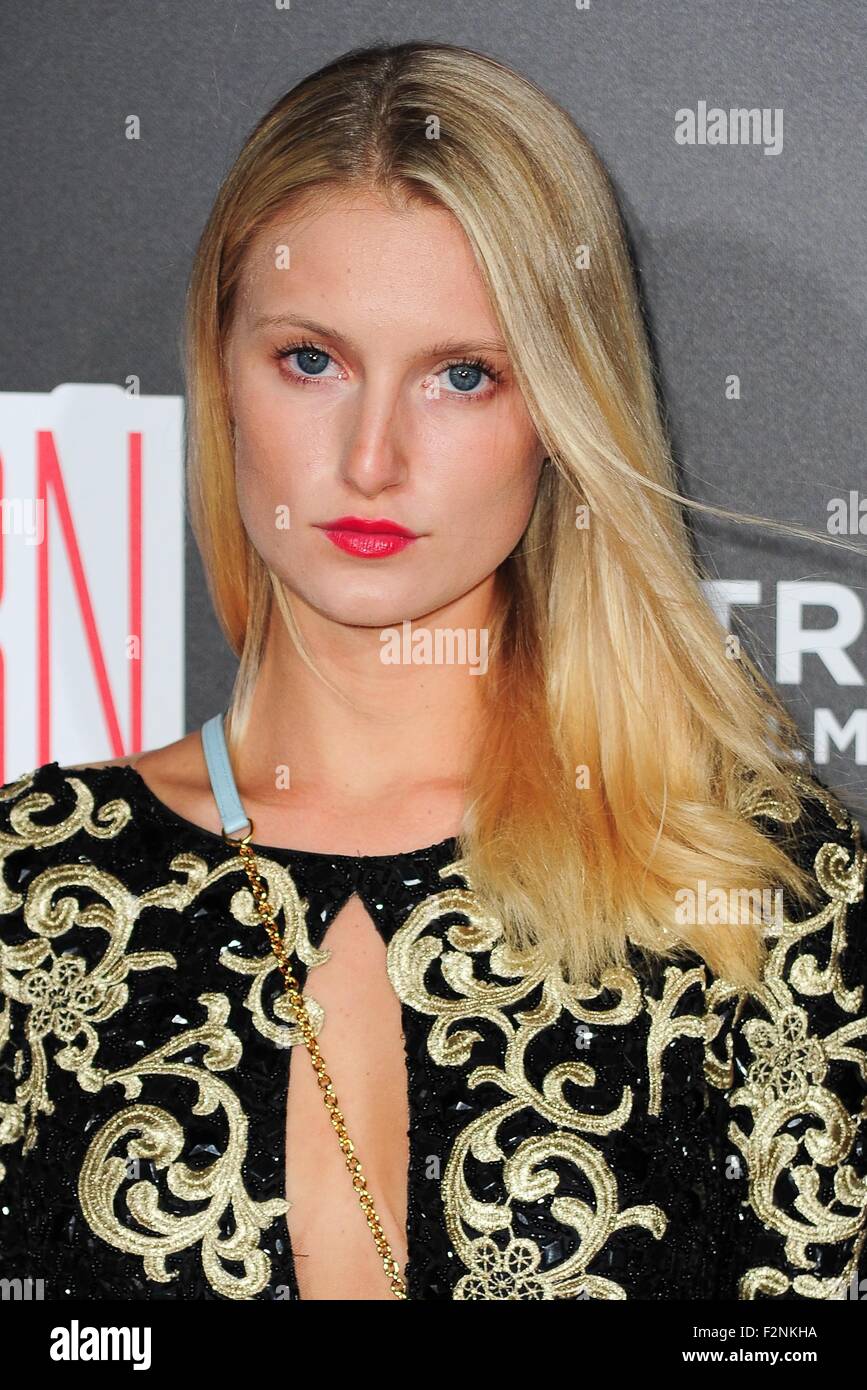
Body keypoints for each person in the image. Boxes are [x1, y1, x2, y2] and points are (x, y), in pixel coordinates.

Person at [0, 39, 865, 1303]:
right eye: (312, 360)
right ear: (221, 370)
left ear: (562, 418)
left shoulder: (761, 897)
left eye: (463, 376)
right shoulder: (31, 895)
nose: (370, 460)